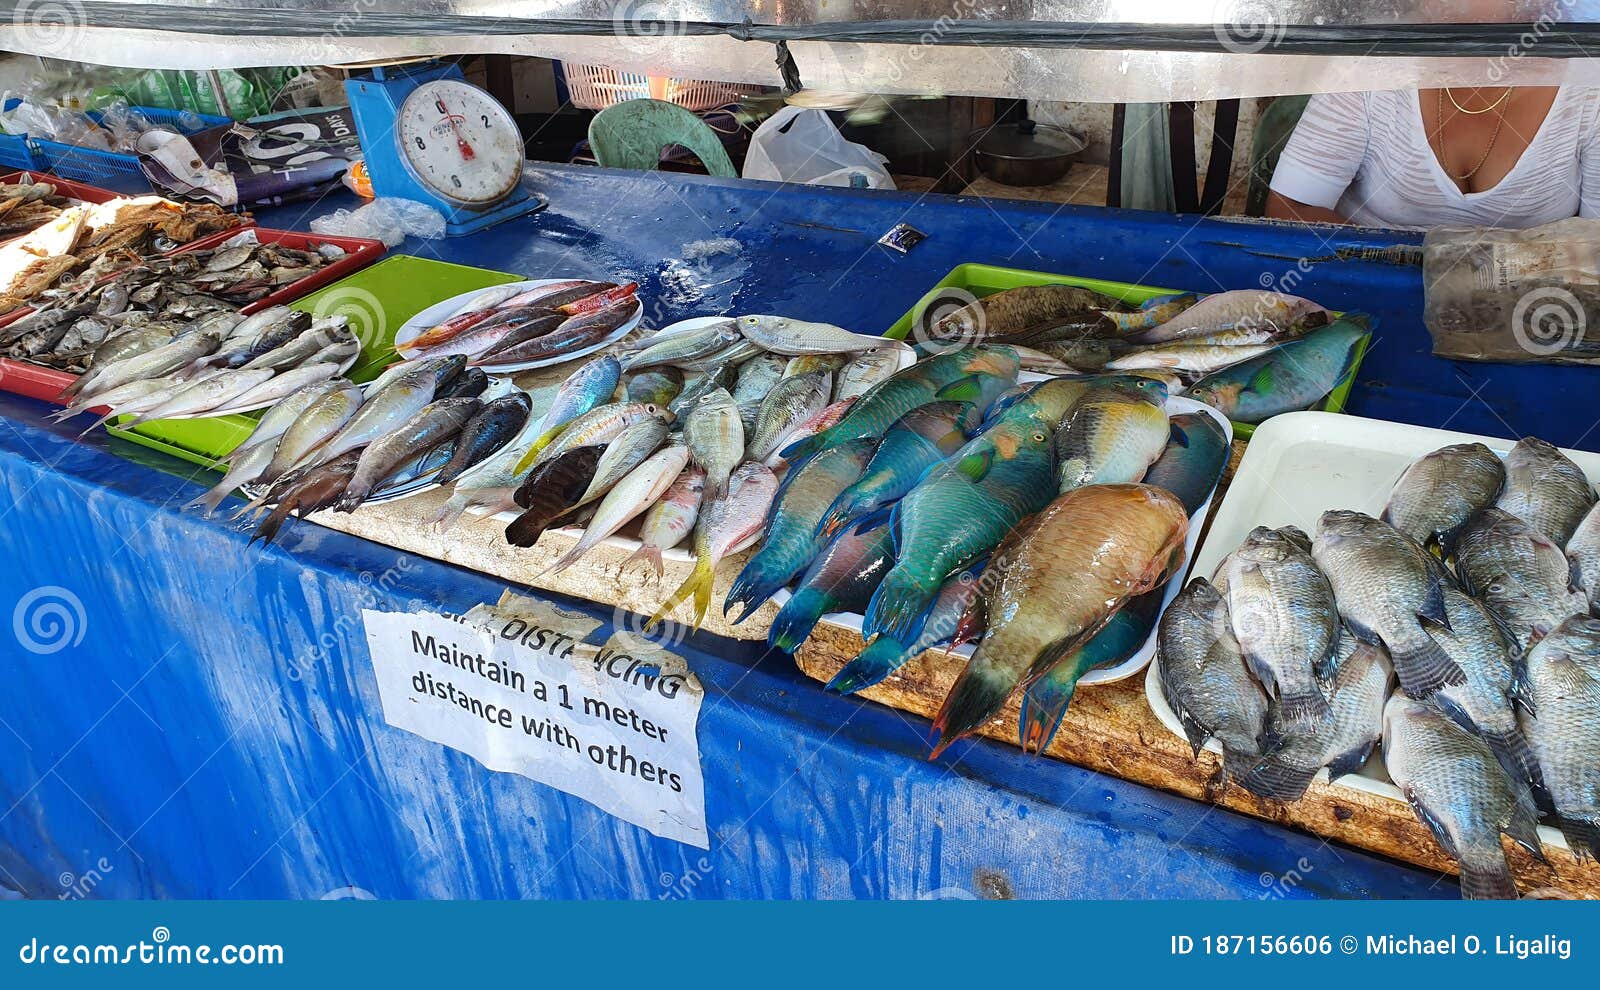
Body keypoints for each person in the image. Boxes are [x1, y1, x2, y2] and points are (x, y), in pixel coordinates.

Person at [1266, 86, 1600, 228]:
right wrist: (1422, 270)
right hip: (1364, 295)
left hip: (1530, 312)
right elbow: (1291, 210)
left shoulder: (1589, 85)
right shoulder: (1372, 66)